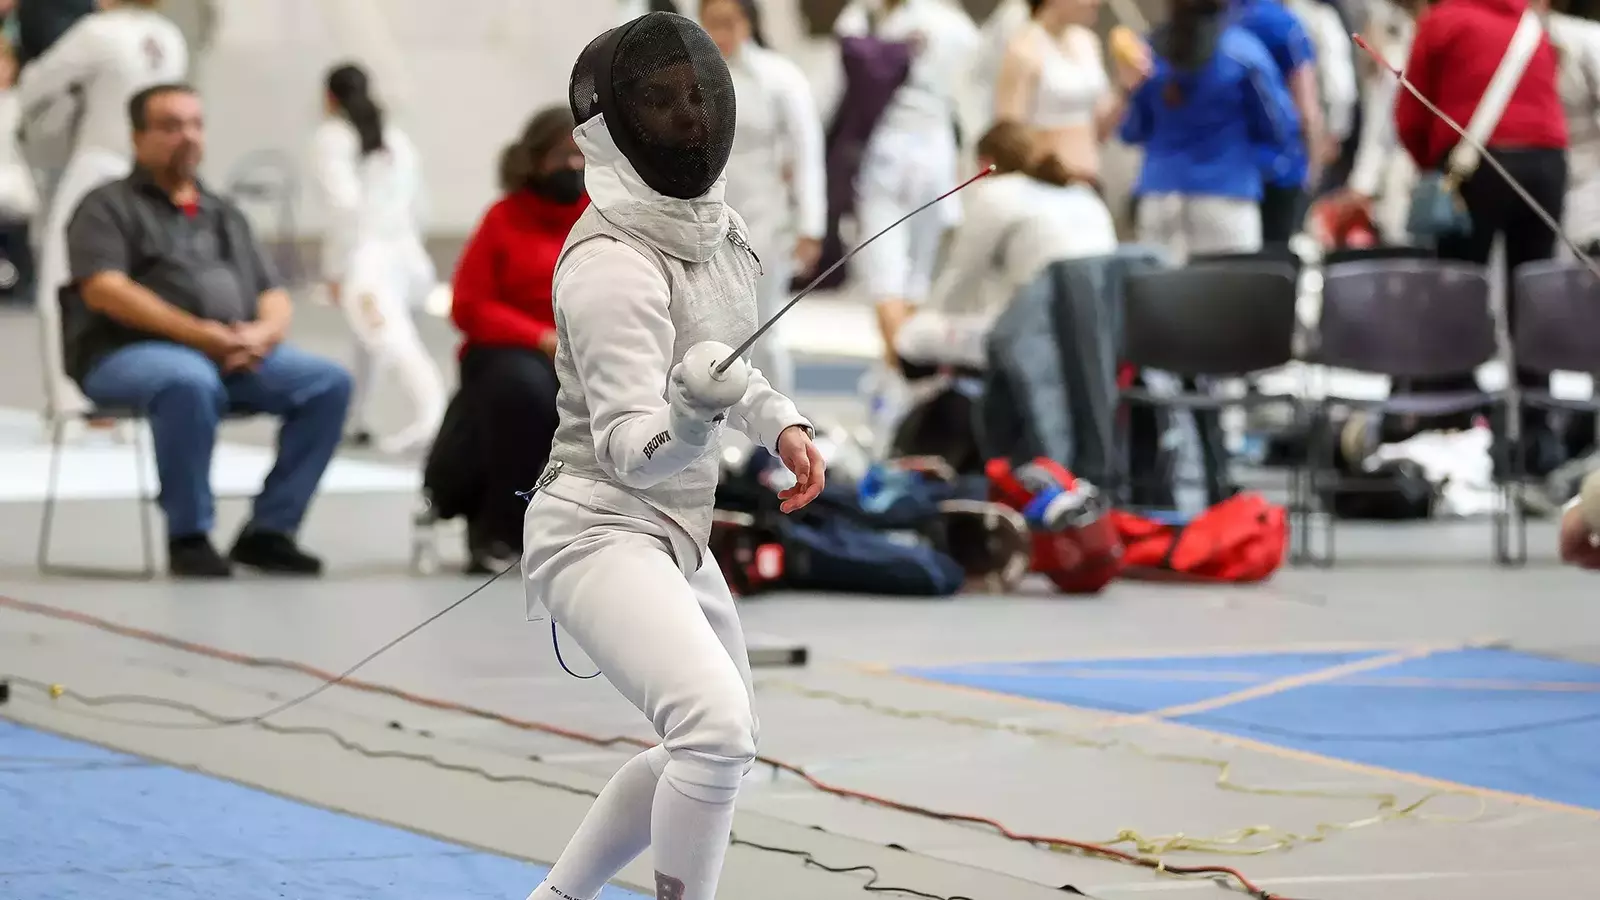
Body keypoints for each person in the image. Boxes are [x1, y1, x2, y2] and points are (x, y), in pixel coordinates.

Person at [520, 14, 825, 900]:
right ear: (613, 126)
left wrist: (782, 425)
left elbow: (723, 362)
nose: (688, 115)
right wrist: (691, 422)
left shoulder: (712, 231)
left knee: (712, 739)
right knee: (715, 730)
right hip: (597, 524)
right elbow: (628, 449)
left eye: (696, 94)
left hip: (673, 528)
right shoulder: (610, 263)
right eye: (660, 100)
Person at [65, 83, 352, 578]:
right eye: (171, 126)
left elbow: (272, 292)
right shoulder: (106, 206)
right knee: (187, 380)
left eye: (196, 124)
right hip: (127, 354)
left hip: (228, 351)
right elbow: (104, 289)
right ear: (138, 137)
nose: (188, 136)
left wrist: (261, 336)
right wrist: (201, 336)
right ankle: (189, 535)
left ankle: (270, 530)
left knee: (327, 383)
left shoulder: (223, 213)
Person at [1395, 0, 1567, 446]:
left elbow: (1411, 111)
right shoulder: (1531, 22)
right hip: (1546, 162)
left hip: (1474, 164)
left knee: (1458, 290)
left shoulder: (1443, 22)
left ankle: (1451, 419)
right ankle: (1537, 427)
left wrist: (1435, 171)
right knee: (1530, 292)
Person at [15, 0, 185, 425]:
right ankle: (135, 398)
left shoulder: (98, 32)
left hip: (100, 167)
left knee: (62, 280)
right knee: (146, 284)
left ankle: (69, 399)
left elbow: (35, 83)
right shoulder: (170, 37)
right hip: (154, 174)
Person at [448, 106, 589, 570]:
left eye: (579, 155)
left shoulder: (600, 217)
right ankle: (499, 528)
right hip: (509, 353)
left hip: (584, 349)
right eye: (560, 155)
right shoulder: (503, 218)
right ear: (533, 160)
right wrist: (538, 336)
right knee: (524, 392)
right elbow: (468, 306)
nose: (572, 166)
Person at [896, 120, 1117, 371]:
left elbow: (960, 280)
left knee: (913, 336)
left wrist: (930, 317)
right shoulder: (1083, 195)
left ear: (985, 163)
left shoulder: (998, 193)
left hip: (1039, 334)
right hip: (1103, 332)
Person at [834, 0, 981, 369]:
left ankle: (902, 378)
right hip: (935, 150)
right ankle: (908, 383)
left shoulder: (863, 18)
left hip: (890, 147)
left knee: (888, 276)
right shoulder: (958, 25)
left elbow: (842, 89)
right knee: (914, 277)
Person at [311, 62, 446, 456]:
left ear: (329, 97)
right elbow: (420, 206)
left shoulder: (332, 137)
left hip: (367, 263)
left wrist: (336, 268)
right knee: (367, 340)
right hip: (409, 258)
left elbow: (344, 207)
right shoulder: (396, 138)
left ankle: (434, 417)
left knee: (394, 343)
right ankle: (355, 419)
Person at [699, 0, 826, 397]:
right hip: (702, 219)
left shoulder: (780, 77)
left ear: (747, 23)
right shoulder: (689, 77)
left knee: (762, 327)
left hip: (764, 224)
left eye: (728, 23)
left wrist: (811, 226)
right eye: (711, 23)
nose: (720, 33)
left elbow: (807, 154)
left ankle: (778, 436)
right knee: (705, 327)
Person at [1120, 0, 1301, 260]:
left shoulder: (1146, 53)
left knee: (1161, 297)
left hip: (1159, 197)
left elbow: (1131, 130)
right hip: (1226, 197)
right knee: (1228, 297)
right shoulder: (1242, 51)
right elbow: (1280, 125)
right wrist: (1264, 166)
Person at [992, 0, 1142, 238]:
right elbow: (1006, 136)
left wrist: (1125, 86)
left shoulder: (1088, 43)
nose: (1097, 3)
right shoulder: (1023, 49)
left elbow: (1099, 130)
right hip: (1042, 191)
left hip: (1088, 184)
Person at [1229, 0, 1332, 243]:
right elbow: (1306, 108)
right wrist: (1313, 170)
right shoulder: (1282, 24)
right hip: (1277, 171)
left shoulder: (1221, 21)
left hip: (1225, 177)